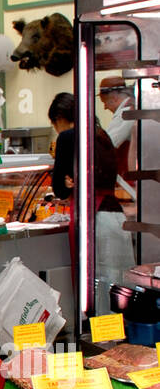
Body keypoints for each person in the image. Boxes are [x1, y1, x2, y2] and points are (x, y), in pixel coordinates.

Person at [48, 93, 133, 312]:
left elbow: (58, 187)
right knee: (117, 290)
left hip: (94, 221)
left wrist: (67, 183)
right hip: (115, 217)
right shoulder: (101, 135)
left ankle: (102, 342)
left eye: (54, 123)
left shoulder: (67, 137)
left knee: (98, 293)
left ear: (59, 118)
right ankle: (118, 341)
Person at [97, 77, 136, 181]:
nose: (105, 107)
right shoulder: (132, 108)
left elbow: (108, 144)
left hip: (130, 177)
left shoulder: (126, 113)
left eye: (105, 102)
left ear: (114, 98)